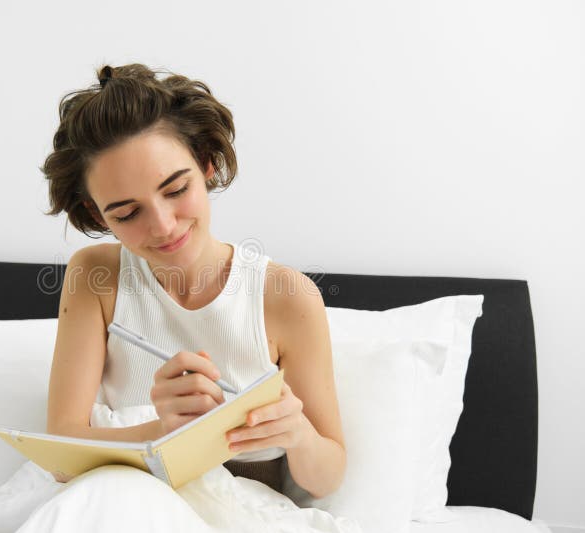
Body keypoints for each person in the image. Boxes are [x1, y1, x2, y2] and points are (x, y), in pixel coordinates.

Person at [23, 63, 355, 532]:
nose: (162, 226)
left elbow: (327, 475)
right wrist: (165, 431)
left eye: (175, 189)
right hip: (113, 503)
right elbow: (61, 452)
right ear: (96, 214)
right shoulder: (95, 277)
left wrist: (296, 433)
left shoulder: (286, 298)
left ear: (206, 162)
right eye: (126, 213)